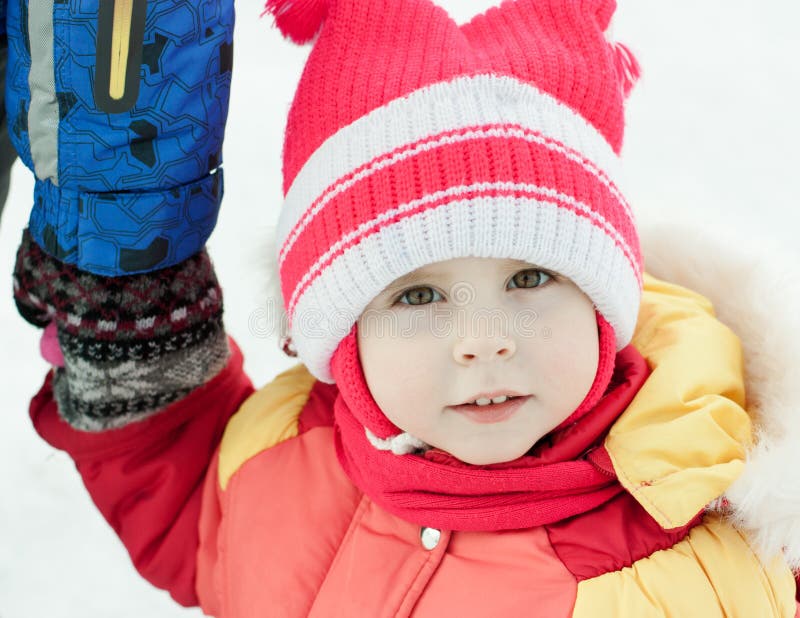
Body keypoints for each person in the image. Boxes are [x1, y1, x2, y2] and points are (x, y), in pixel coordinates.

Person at [11, 0, 799, 615]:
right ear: (341, 339)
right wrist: (136, 330)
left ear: (605, 306)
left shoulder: (725, 558)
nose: (484, 341)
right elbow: (192, 511)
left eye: (530, 279)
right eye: (417, 294)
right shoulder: (283, 460)